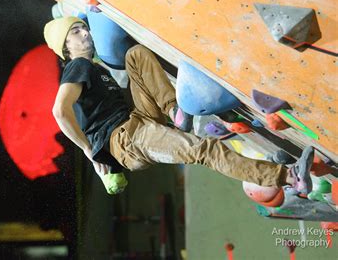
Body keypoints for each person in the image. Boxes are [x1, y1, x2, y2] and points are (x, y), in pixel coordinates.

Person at [43, 16, 314, 195]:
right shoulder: (77, 66)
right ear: (65, 48)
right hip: (128, 139)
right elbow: (60, 111)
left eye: (83, 27)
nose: (85, 33)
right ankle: (290, 178)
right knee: (204, 150)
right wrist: (89, 151)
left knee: (135, 57)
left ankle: (175, 111)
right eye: (75, 32)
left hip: (137, 120)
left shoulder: (92, 68)